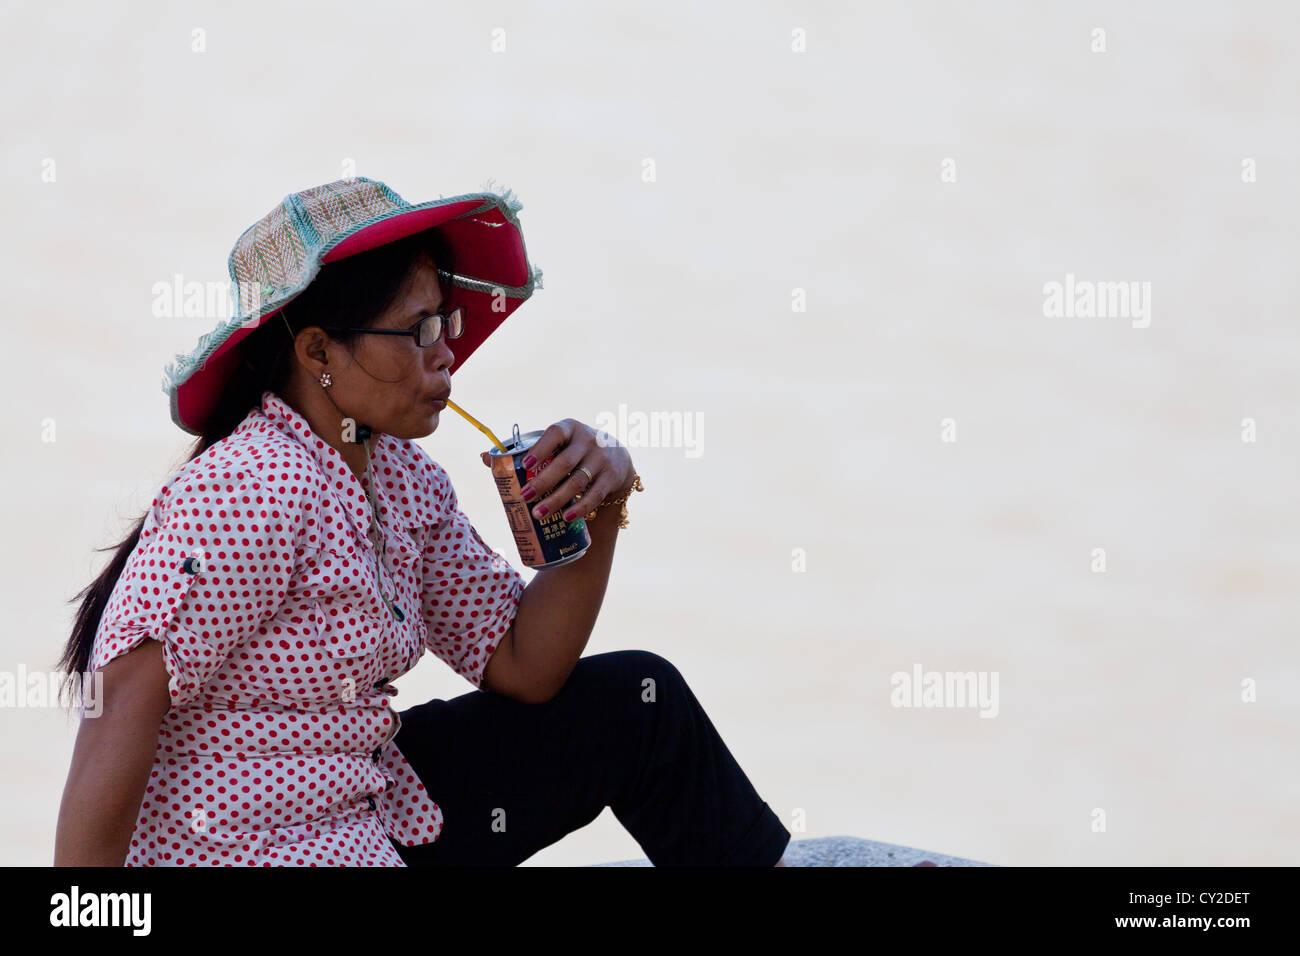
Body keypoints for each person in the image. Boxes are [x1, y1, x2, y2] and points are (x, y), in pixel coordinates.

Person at [52, 177, 791, 867]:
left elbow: (523, 665)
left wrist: (598, 502)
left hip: (370, 798)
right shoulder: (253, 488)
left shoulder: (401, 477)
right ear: (318, 351)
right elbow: (120, 702)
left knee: (640, 704)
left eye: (445, 322)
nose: (446, 357)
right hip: (247, 841)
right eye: (418, 330)